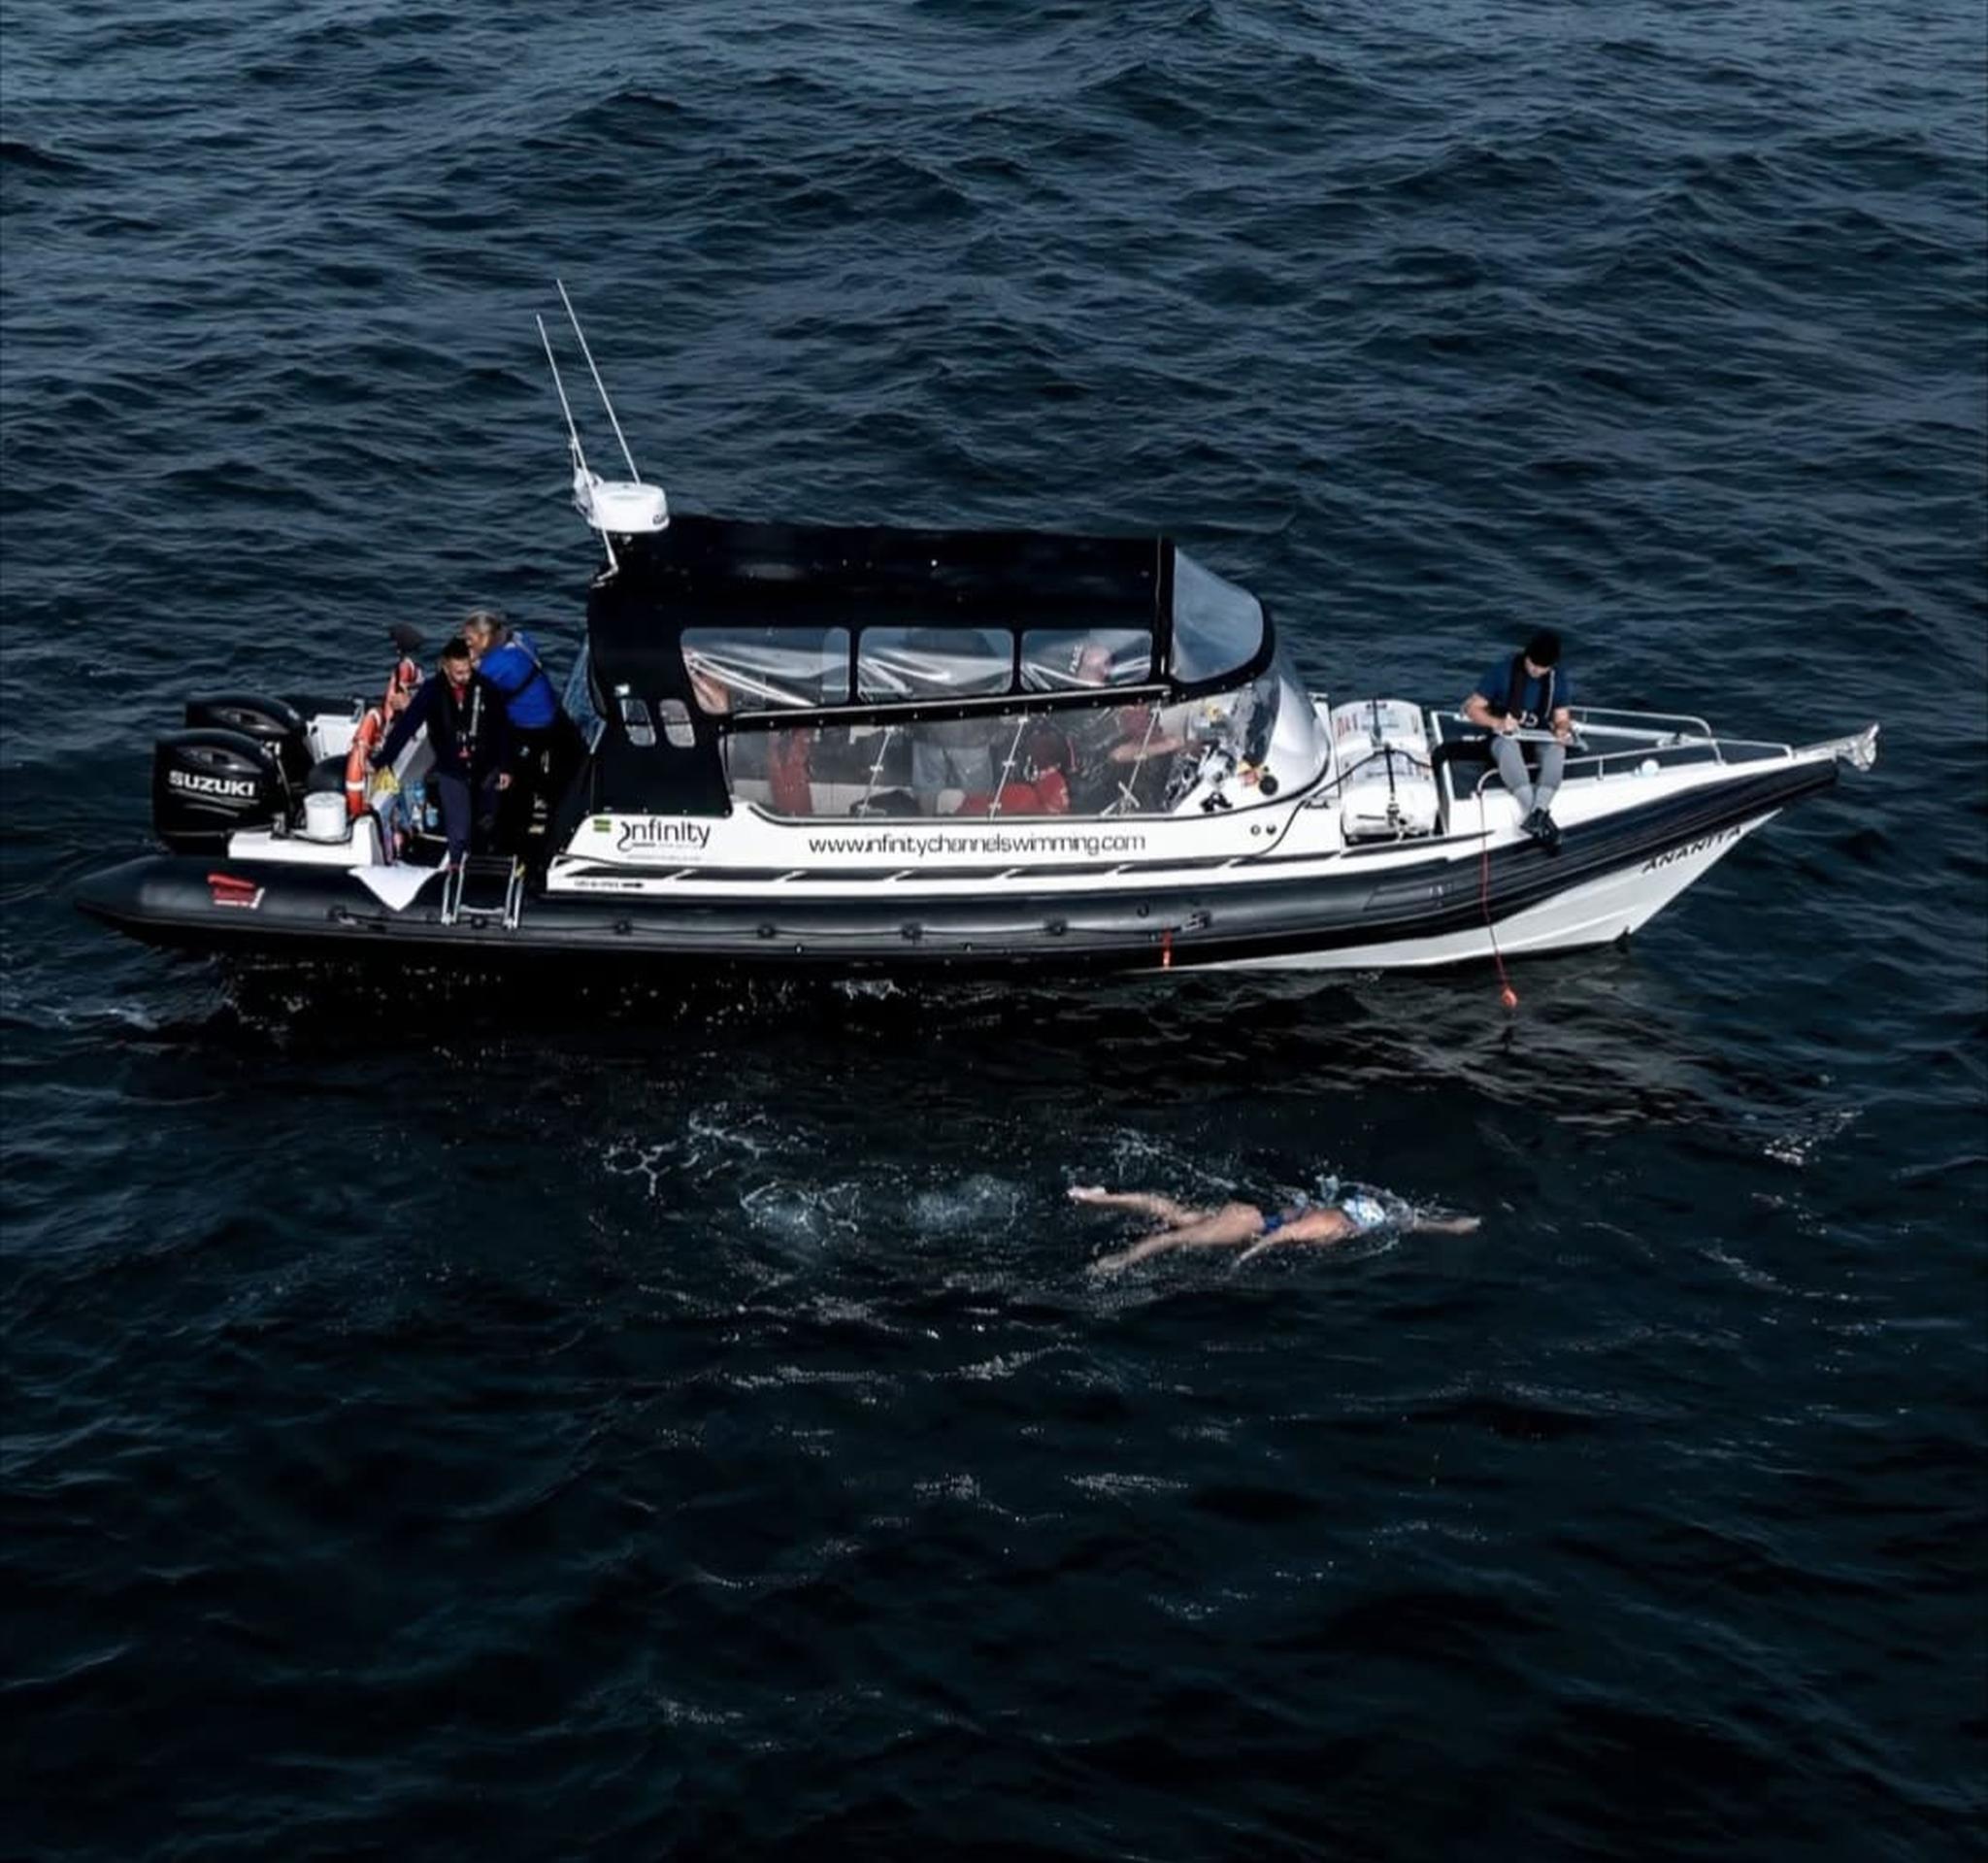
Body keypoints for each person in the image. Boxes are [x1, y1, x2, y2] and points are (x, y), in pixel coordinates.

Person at [1070, 1181, 1478, 1275]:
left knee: (1178, 1214)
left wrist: (1452, 1227)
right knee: (1174, 1237)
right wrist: (1244, 1258)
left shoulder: (1343, 1210)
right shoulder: (1331, 1223)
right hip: (1243, 1227)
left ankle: (1101, 1196)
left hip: (1246, 1215)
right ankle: (1118, 1261)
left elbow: (1408, 1220)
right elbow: (1283, 1235)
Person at [370, 638, 514, 870]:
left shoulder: (486, 688)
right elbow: (407, 726)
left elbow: (502, 728)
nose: (465, 677)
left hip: (485, 766)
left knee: (486, 822)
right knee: (458, 828)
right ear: (446, 668)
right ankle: (456, 867)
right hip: (452, 769)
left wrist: (505, 766)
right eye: (459, 673)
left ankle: (485, 861)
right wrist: (382, 760)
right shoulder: (432, 692)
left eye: (468, 670)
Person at [460, 608, 579, 849]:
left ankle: (515, 840)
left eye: (470, 641)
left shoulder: (494, 666)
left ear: (484, 639)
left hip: (530, 727)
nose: (467, 646)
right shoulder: (520, 640)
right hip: (554, 717)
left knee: (520, 783)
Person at [1464, 627, 1574, 848]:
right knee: (1507, 747)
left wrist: (1562, 729)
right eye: (1532, 664)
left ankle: (1538, 812)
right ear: (1526, 656)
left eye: (1542, 668)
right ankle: (1536, 813)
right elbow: (1472, 708)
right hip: (1504, 734)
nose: (1535, 670)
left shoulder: (1557, 680)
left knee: (1557, 749)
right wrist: (1498, 723)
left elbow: (1562, 717)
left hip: (1538, 734)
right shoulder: (1501, 672)